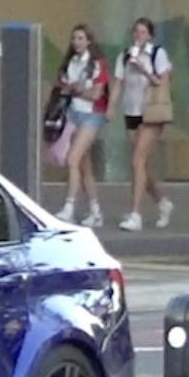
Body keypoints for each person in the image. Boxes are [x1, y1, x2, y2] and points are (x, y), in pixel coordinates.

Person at [113, 17, 174, 231]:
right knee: (140, 165)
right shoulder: (125, 55)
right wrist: (111, 106)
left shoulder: (157, 54)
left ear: (149, 35)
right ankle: (162, 203)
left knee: (137, 161)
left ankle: (135, 214)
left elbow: (162, 82)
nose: (138, 36)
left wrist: (144, 69)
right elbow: (118, 83)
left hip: (151, 111)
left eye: (142, 32)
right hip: (132, 111)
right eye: (135, 32)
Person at [54, 24, 109, 228]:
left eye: (80, 38)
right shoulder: (71, 62)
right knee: (85, 166)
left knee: (73, 159)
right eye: (74, 38)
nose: (76, 42)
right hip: (74, 113)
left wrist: (76, 90)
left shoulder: (97, 64)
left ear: (89, 41)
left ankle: (69, 207)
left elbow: (96, 94)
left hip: (91, 115)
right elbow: (62, 84)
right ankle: (95, 211)